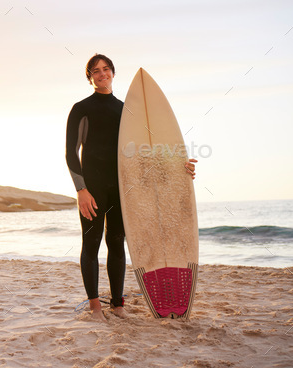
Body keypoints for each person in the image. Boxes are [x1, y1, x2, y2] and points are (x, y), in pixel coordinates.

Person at [65, 54, 197, 322]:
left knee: (116, 242)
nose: (102, 74)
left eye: (106, 69)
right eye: (96, 71)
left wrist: (180, 168)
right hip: (93, 187)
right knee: (91, 243)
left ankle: (117, 304)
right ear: (89, 77)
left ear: (113, 73)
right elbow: (70, 152)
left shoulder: (127, 112)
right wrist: (81, 190)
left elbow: (147, 154)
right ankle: (94, 306)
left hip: (123, 189)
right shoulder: (82, 108)